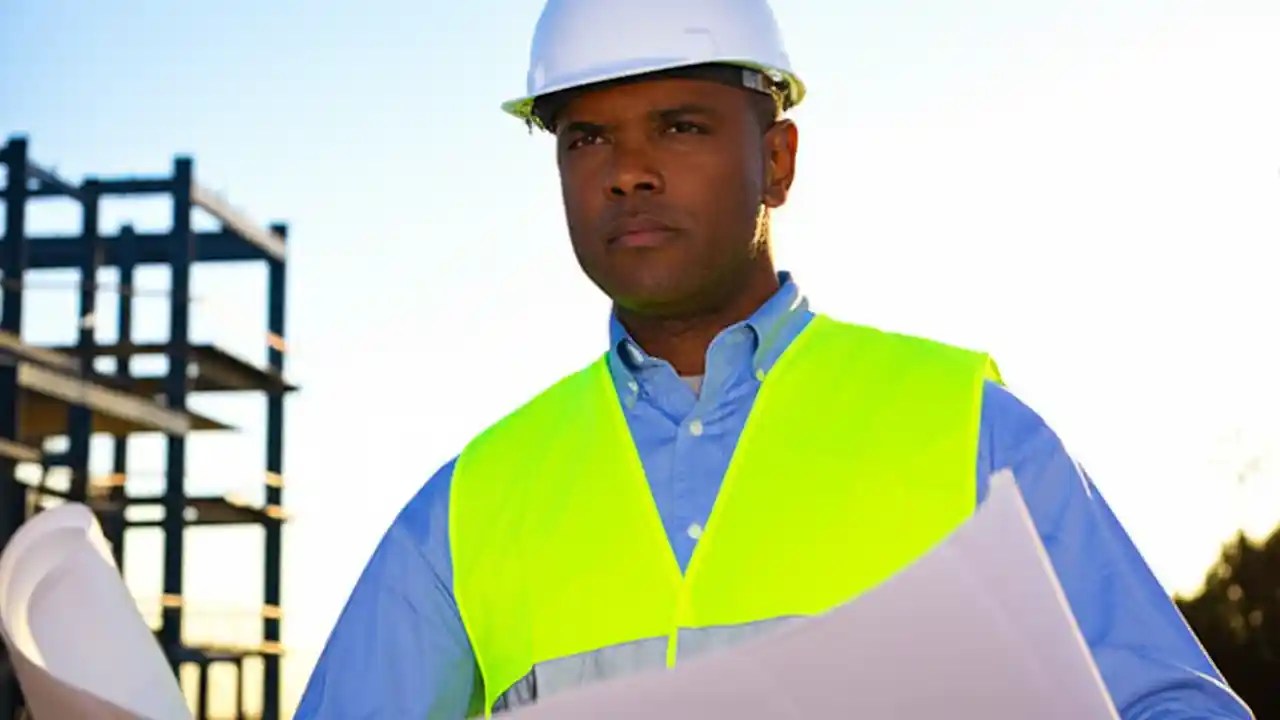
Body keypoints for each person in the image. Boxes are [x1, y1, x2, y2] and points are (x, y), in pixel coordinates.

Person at [295, 1, 1253, 718]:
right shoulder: (468, 509)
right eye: (588, 136)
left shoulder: (966, 430)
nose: (627, 169)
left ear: (779, 162)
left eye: (680, 124)